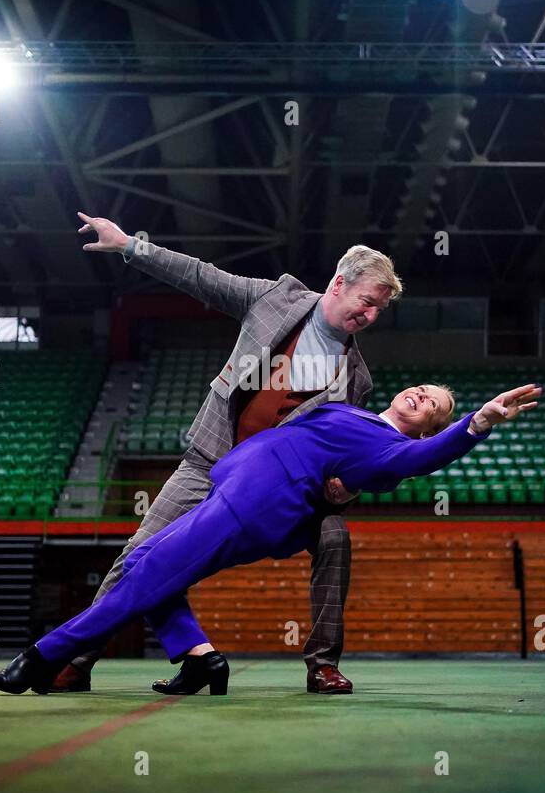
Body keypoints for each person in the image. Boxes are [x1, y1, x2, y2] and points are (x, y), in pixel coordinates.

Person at [0, 382, 541, 697]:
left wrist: (474, 424)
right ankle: (201, 659)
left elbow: (427, 458)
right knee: (145, 567)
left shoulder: (392, 451)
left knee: (143, 580)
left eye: (434, 407)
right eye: (422, 390)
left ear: (428, 427)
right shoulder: (355, 414)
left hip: (253, 509)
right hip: (231, 492)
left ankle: (39, 656)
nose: (422, 397)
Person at [52, 212, 401, 697]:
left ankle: (323, 665)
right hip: (208, 463)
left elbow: (339, 458)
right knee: (137, 553)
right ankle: (77, 661)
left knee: (334, 536)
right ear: (339, 283)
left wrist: (342, 489)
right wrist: (130, 245)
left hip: (278, 495)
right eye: (367, 302)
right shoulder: (274, 298)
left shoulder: (357, 380)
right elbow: (199, 275)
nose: (370, 316)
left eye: (379, 310)